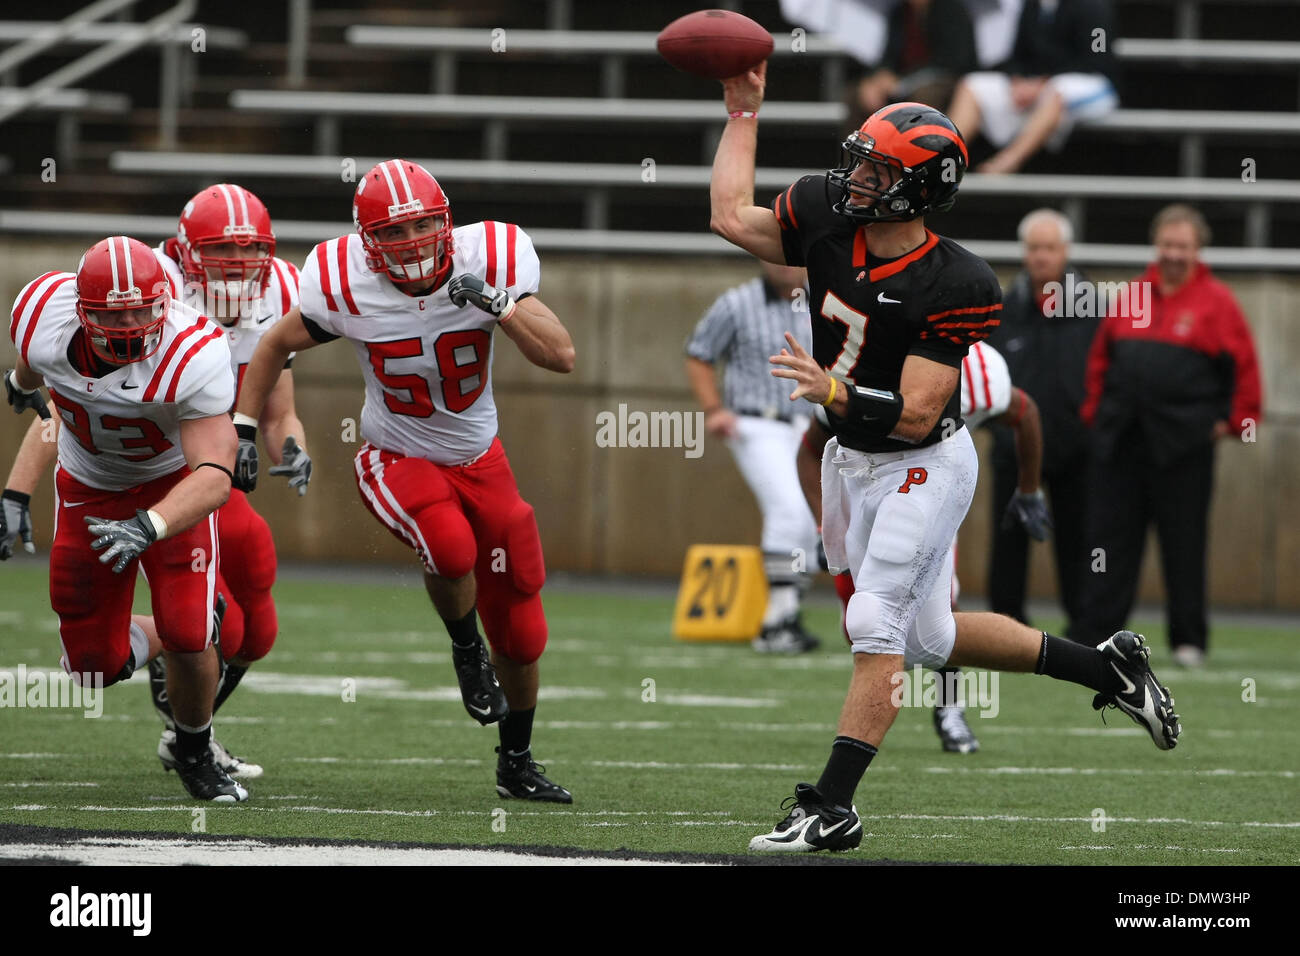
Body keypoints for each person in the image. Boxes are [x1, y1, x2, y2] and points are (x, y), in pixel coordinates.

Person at [709, 64, 1180, 853]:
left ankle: (833, 804)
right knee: (930, 639)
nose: (856, 177)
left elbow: (921, 412)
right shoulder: (826, 210)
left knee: (875, 619)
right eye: (859, 159)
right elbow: (729, 214)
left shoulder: (957, 279)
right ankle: (1111, 670)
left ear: (920, 189)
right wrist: (743, 113)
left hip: (922, 461)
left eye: (878, 169)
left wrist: (829, 389)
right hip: (850, 461)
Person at [232, 159, 577, 802]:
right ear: (367, 243)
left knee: (524, 625)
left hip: (481, 457)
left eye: (421, 225)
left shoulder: (493, 258)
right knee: (451, 549)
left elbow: (561, 356)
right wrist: (246, 427)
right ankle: (466, 650)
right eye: (392, 234)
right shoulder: (344, 283)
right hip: (395, 454)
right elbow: (275, 343)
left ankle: (516, 761)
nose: (411, 242)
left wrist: (497, 303)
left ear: (446, 222)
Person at [1, 184, 303, 781]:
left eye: (143, 310)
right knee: (90, 668)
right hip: (88, 487)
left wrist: (152, 524)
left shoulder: (194, 348)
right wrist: (16, 480)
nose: (133, 325)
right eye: (113, 315)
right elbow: (39, 381)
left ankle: (193, 745)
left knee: (195, 630)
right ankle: (172, 633)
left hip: (170, 484)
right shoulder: (41, 315)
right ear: (81, 313)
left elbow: (214, 474)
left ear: (166, 299)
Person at [799, 340, 1050, 754]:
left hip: (930, 484)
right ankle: (864, 722)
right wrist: (824, 522)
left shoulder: (980, 376)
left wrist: (1029, 491)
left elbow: (1026, 414)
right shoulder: (864, 363)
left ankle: (949, 707)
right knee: (862, 623)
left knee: (940, 604)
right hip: (865, 488)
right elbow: (809, 452)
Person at [1078, 204, 1263, 667]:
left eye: (1184, 246)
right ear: (1156, 245)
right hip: (1122, 440)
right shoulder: (1134, 294)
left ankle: (1188, 639)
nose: (1175, 254)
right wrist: (1094, 414)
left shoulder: (1218, 302)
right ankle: (1101, 633)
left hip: (1184, 446)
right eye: (1168, 244)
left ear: (1198, 250)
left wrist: (1237, 423)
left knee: (1184, 543)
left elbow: (1244, 370)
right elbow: (1102, 358)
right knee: (1110, 541)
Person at [685, 260, 823, 653]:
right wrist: (714, 409)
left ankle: (787, 613)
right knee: (789, 509)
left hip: (813, 423)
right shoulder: (737, 302)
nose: (782, 264)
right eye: (773, 254)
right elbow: (699, 353)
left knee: (816, 515)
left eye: (791, 255)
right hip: (757, 422)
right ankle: (777, 621)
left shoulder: (827, 300)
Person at [985, 209, 1096, 635]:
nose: (1041, 257)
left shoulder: (1093, 310)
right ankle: (1006, 626)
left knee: (1078, 541)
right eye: (1034, 248)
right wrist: (997, 428)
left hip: (1076, 450)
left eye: (1049, 248)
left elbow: (1107, 372)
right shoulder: (1003, 310)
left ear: (1065, 252)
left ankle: (1085, 629)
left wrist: (1092, 428)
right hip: (1014, 447)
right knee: (1008, 540)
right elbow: (982, 371)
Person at [945, 0, 1117, 173]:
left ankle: (1006, 162)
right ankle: (943, 161)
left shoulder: (1095, 5)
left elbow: (1097, 58)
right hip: (1039, 83)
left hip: (1094, 84)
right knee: (973, 84)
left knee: (1059, 89)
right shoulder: (1032, 5)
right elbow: (1019, 55)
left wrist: (1043, 83)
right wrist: (1017, 80)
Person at [852, 0, 978, 124]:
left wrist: (901, 81)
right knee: (858, 95)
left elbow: (952, 62)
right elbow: (888, 55)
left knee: (923, 98)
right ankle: (863, 142)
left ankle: (922, 142)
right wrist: (876, 77)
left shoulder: (952, 10)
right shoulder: (899, 12)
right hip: (903, 79)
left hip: (943, 80)